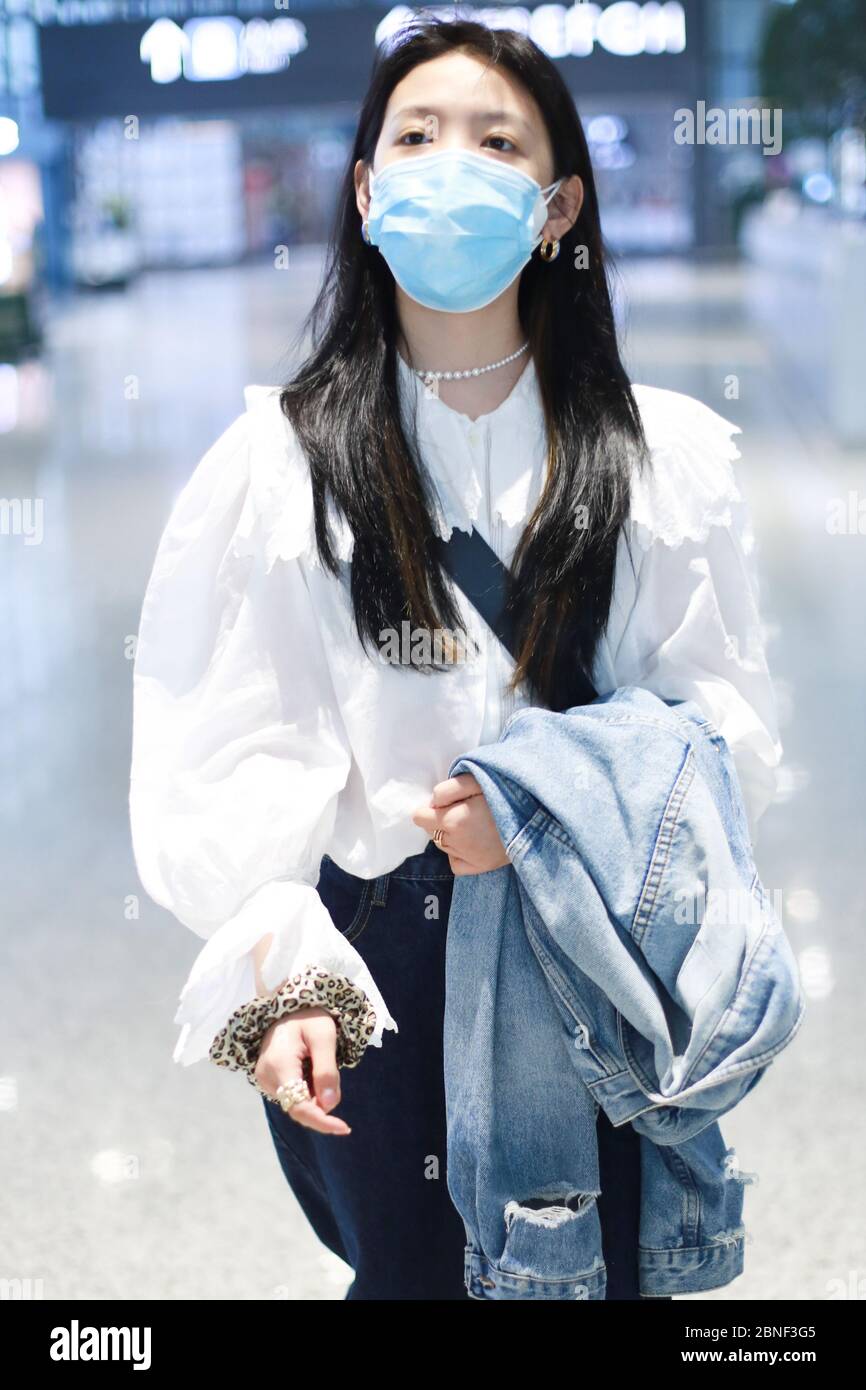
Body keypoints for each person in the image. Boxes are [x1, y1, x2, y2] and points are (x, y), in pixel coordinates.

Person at [129, 17, 782, 1301]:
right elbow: (231, 743)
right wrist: (287, 974)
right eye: (414, 137)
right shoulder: (277, 467)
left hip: (591, 956)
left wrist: (547, 814)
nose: (448, 165)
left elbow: (723, 733)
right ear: (366, 192)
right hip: (388, 965)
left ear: (554, 207)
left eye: (495, 143)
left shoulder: (662, 462)